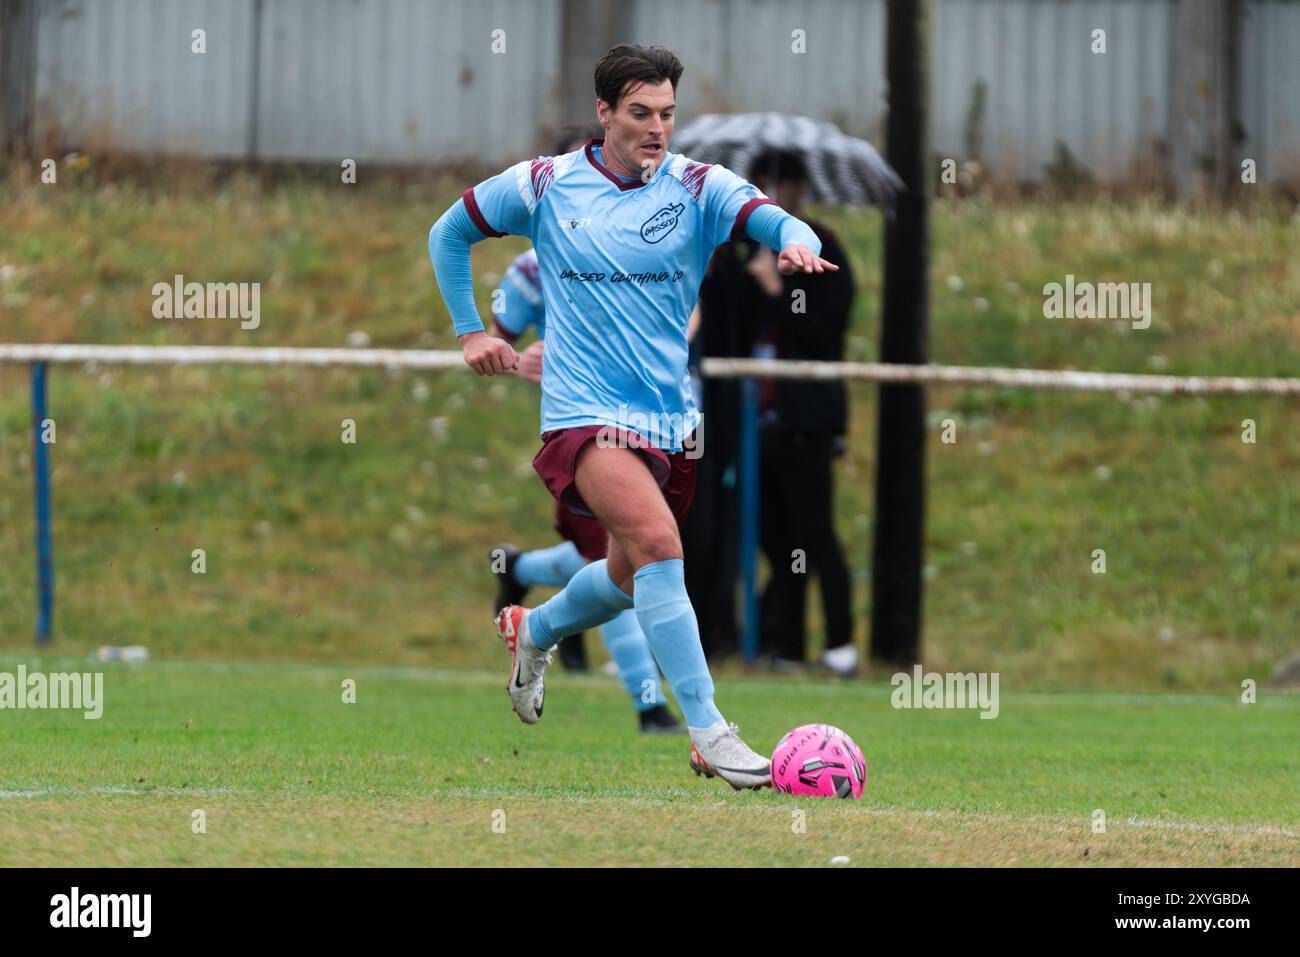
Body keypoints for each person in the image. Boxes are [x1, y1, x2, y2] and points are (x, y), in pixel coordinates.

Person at [429, 44, 837, 790]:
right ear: (605, 113)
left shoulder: (695, 186)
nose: (657, 128)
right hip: (583, 416)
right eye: (641, 114)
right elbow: (447, 232)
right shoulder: (546, 185)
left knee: (623, 575)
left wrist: (798, 244)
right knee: (656, 542)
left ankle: (536, 628)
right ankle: (709, 730)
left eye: (668, 115)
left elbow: (770, 217)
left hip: (668, 423)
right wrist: (471, 330)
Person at [488, 125, 685, 734]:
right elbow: (495, 341)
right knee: (620, 557)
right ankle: (650, 706)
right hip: (583, 436)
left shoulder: (650, 241)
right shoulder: (531, 264)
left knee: (627, 566)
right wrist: (520, 361)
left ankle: (522, 581)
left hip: (653, 429)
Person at [740, 149, 857, 676]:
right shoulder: (742, 247)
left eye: (782, 184)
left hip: (805, 415)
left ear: (800, 189)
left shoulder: (823, 247)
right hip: (753, 421)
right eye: (761, 184)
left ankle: (840, 645)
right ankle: (785, 647)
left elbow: (822, 332)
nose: (772, 194)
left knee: (816, 532)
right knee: (776, 538)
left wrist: (775, 287)